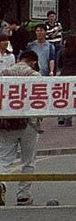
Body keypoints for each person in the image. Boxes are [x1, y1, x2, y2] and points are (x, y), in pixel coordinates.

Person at [0, 48, 41, 204]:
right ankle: (24, 194)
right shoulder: (35, 76)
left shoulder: (4, 74)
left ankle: (1, 183)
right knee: (28, 160)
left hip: (6, 122)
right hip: (29, 122)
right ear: (34, 62)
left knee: (4, 158)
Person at [56, 34, 76, 125]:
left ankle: (61, 116)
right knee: (71, 98)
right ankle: (69, 118)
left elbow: (59, 64)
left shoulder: (62, 52)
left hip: (64, 75)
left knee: (62, 97)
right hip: (75, 75)